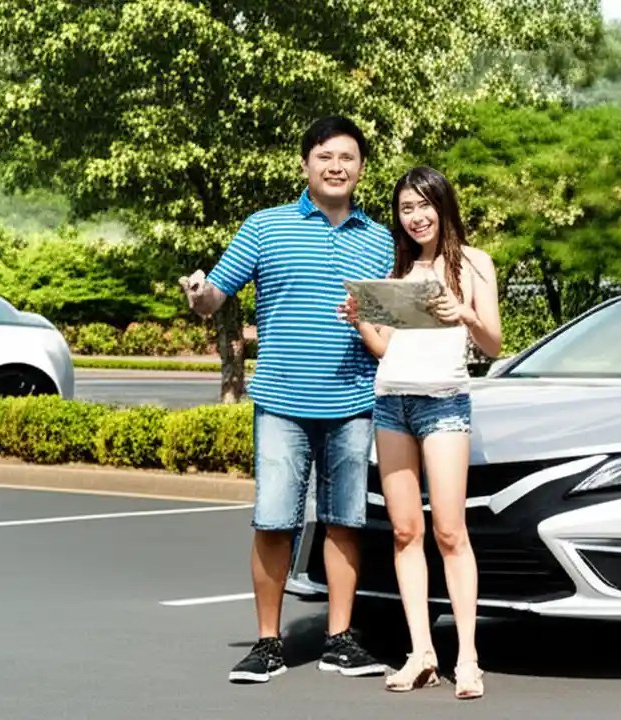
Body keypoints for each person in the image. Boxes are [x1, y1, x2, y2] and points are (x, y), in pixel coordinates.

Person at [179, 115, 395, 684]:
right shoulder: (265, 227)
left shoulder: (379, 239)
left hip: (354, 400)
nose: (336, 166)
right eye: (325, 156)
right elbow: (215, 296)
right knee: (274, 521)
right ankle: (268, 643)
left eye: (347, 157)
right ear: (305, 164)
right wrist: (199, 294)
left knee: (345, 522)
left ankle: (340, 640)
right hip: (282, 401)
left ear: (361, 167)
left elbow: (392, 327)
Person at [341, 165, 501, 700]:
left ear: (442, 204)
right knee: (405, 532)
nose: (416, 217)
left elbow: (495, 344)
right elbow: (386, 349)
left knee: (450, 532)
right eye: (406, 209)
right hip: (392, 403)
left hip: (444, 405)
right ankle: (421, 653)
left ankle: (469, 658)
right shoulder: (397, 269)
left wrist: (466, 316)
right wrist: (360, 319)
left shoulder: (475, 264)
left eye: (423, 205)